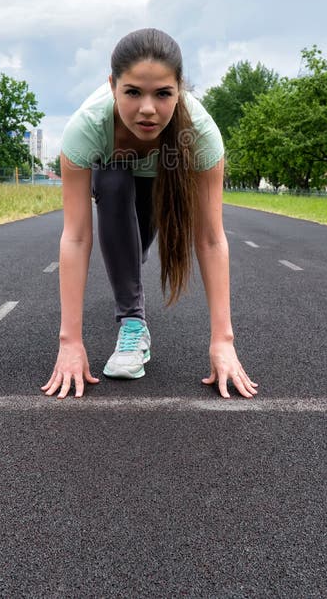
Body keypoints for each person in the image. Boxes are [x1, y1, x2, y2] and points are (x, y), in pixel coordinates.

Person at [41, 28, 258, 401]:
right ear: (112, 86)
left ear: (179, 90)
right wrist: (70, 342)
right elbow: (75, 237)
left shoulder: (201, 135)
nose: (147, 109)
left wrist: (223, 341)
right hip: (116, 173)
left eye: (162, 94)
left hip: (164, 177)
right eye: (132, 92)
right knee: (111, 182)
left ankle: (132, 253)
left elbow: (210, 238)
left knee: (136, 248)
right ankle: (132, 323)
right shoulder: (87, 128)